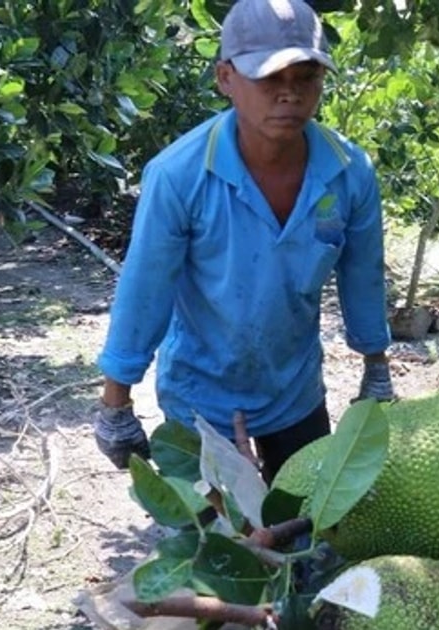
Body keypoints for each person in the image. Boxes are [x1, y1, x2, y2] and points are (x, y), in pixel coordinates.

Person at [91, 0, 395, 484]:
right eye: (270, 78)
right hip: (201, 393)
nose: (289, 95)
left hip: (293, 388)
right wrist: (115, 404)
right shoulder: (179, 176)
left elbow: (363, 276)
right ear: (226, 78)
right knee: (218, 542)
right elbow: (145, 291)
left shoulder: (348, 173)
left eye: (305, 77)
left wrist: (375, 367)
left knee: (307, 533)